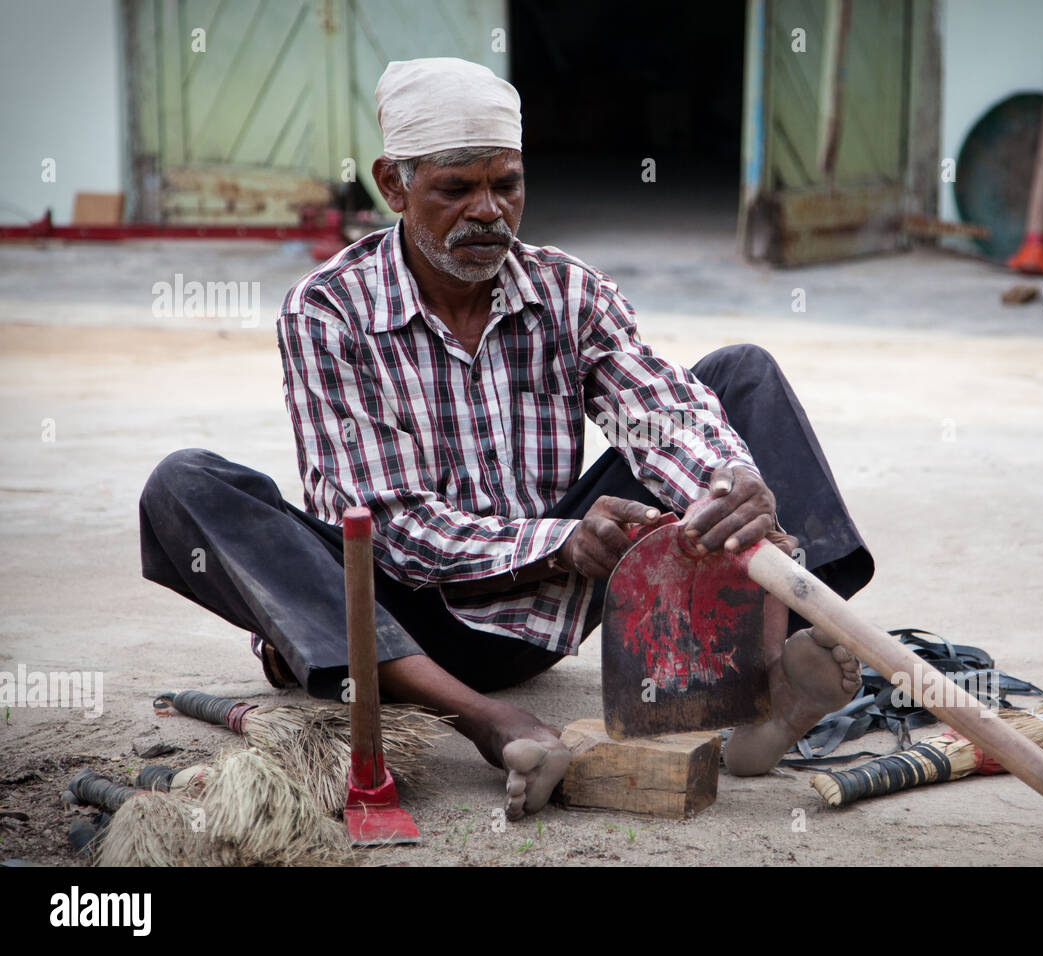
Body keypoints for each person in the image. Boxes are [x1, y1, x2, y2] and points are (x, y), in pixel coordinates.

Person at [139, 58, 874, 820]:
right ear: (393, 187)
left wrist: (727, 481)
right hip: (403, 624)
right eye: (455, 190)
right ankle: (490, 722)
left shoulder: (566, 288)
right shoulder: (328, 310)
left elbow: (659, 412)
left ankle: (772, 674)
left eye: (507, 186)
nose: (488, 212)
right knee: (186, 483)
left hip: (558, 600)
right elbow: (386, 527)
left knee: (736, 380)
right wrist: (554, 542)